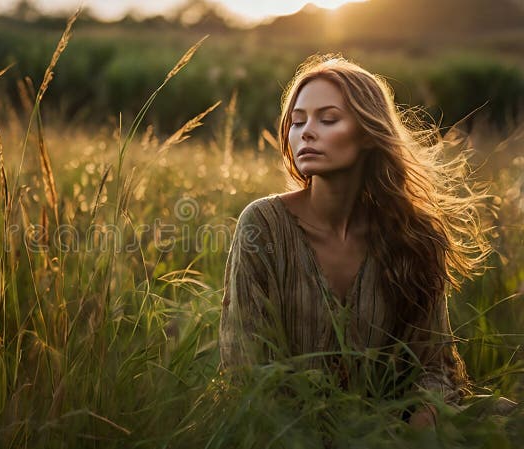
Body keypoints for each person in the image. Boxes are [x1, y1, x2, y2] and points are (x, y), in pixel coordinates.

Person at [218, 54, 515, 429]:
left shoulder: (412, 234)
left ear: (368, 133)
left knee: (508, 417)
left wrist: (418, 424)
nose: (306, 132)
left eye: (328, 119)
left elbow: (434, 366)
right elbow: (245, 369)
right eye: (297, 121)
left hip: (394, 427)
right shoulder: (262, 225)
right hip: (292, 431)